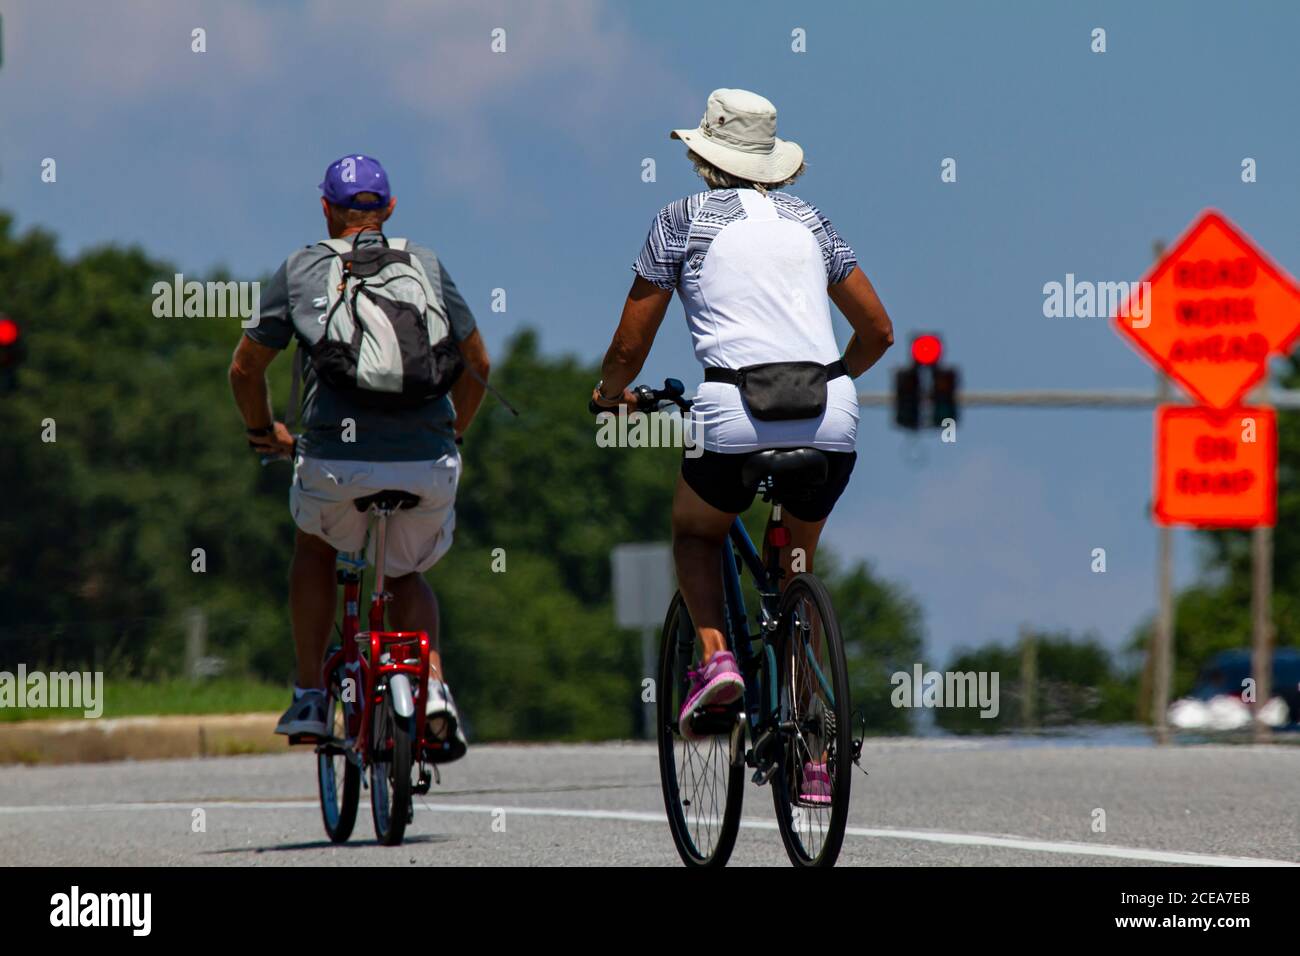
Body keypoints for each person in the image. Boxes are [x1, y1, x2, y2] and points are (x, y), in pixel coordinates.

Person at [592, 89, 895, 752]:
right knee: (793, 561)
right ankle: (813, 748)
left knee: (697, 534)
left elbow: (628, 346)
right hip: (831, 413)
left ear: (704, 155)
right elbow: (878, 331)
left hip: (731, 412)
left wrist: (609, 394)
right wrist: (833, 378)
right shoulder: (811, 221)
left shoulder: (679, 219)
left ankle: (716, 658)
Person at [229, 154, 490, 761]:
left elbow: (244, 369)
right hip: (428, 464)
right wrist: (453, 436)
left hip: (333, 466)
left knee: (316, 545)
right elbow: (479, 366)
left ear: (326, 209)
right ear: (390, 210)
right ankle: (430, 690)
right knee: (403, 571)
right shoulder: (424, 262)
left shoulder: (301, 267)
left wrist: (263, 430)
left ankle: (312, 694)